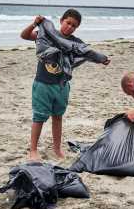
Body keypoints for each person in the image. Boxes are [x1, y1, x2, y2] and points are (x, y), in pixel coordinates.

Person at [21, 9, 110, 161]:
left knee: (58, 117)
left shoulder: (75, 44)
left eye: (74, 26)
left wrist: (101, 59)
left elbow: (87, 52)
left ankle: (57, 148)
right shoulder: (47, 34)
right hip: (42, 84)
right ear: (61, 20)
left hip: (61, 85)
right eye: (68, 23)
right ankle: (33, 150)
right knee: (39, 117)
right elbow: (24, 35)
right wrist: (35, 24)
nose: (70, 27)